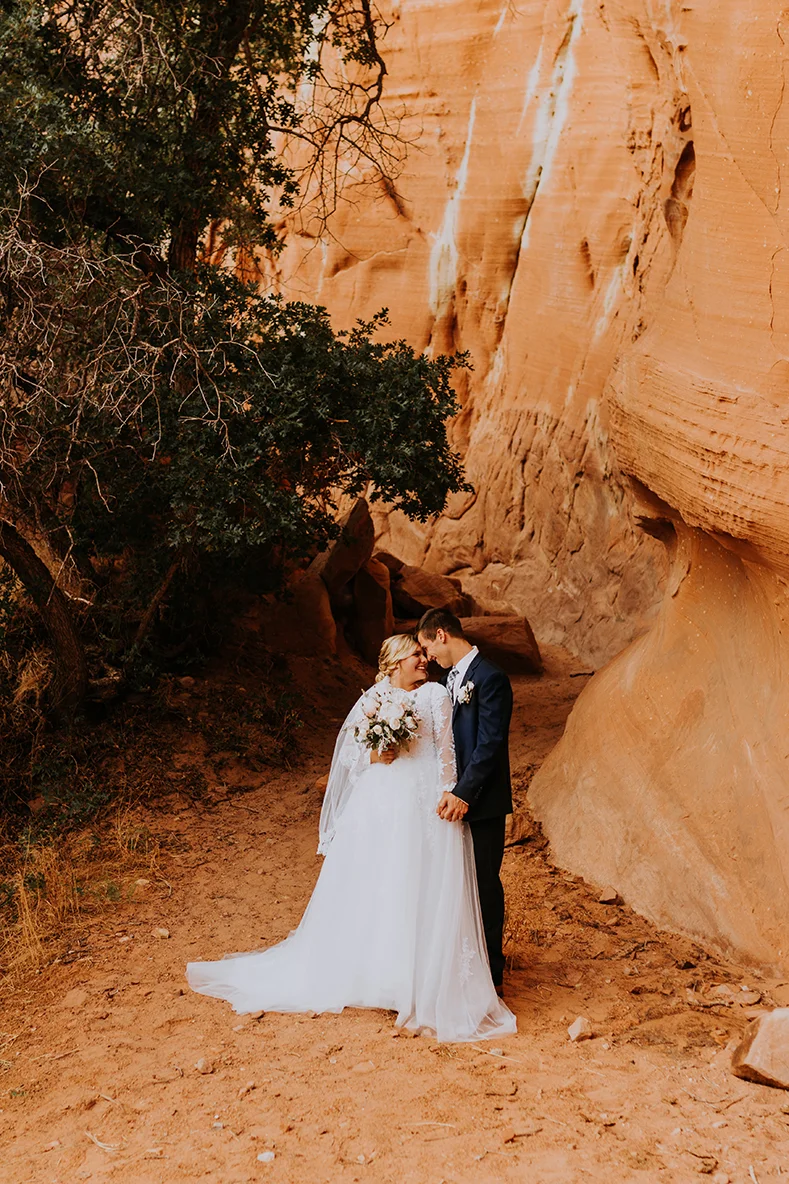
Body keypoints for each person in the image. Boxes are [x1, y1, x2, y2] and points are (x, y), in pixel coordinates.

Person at [186, 633, 515, 1043]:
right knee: (379, 884)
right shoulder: (374, 697)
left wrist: (450, 793)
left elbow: (446, 751)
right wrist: (376, 754)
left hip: (424, 802)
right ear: (395, 662)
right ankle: (378, 972)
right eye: (415, 655)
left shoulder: (435, 694)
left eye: (422, 653)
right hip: (383, 802)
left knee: (420, 883)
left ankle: (416, 975)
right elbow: (351, 755)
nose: (423, 660)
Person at [417, 610, 513, 994]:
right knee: (458, 884)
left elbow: (490, 744)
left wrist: (464, 793)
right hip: (455, 801)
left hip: (482, 801)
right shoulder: (448, 680)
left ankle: (492, 975)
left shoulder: (491, 678)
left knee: (484, 884)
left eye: (427, 646)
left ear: (441, 635)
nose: (427, 657)